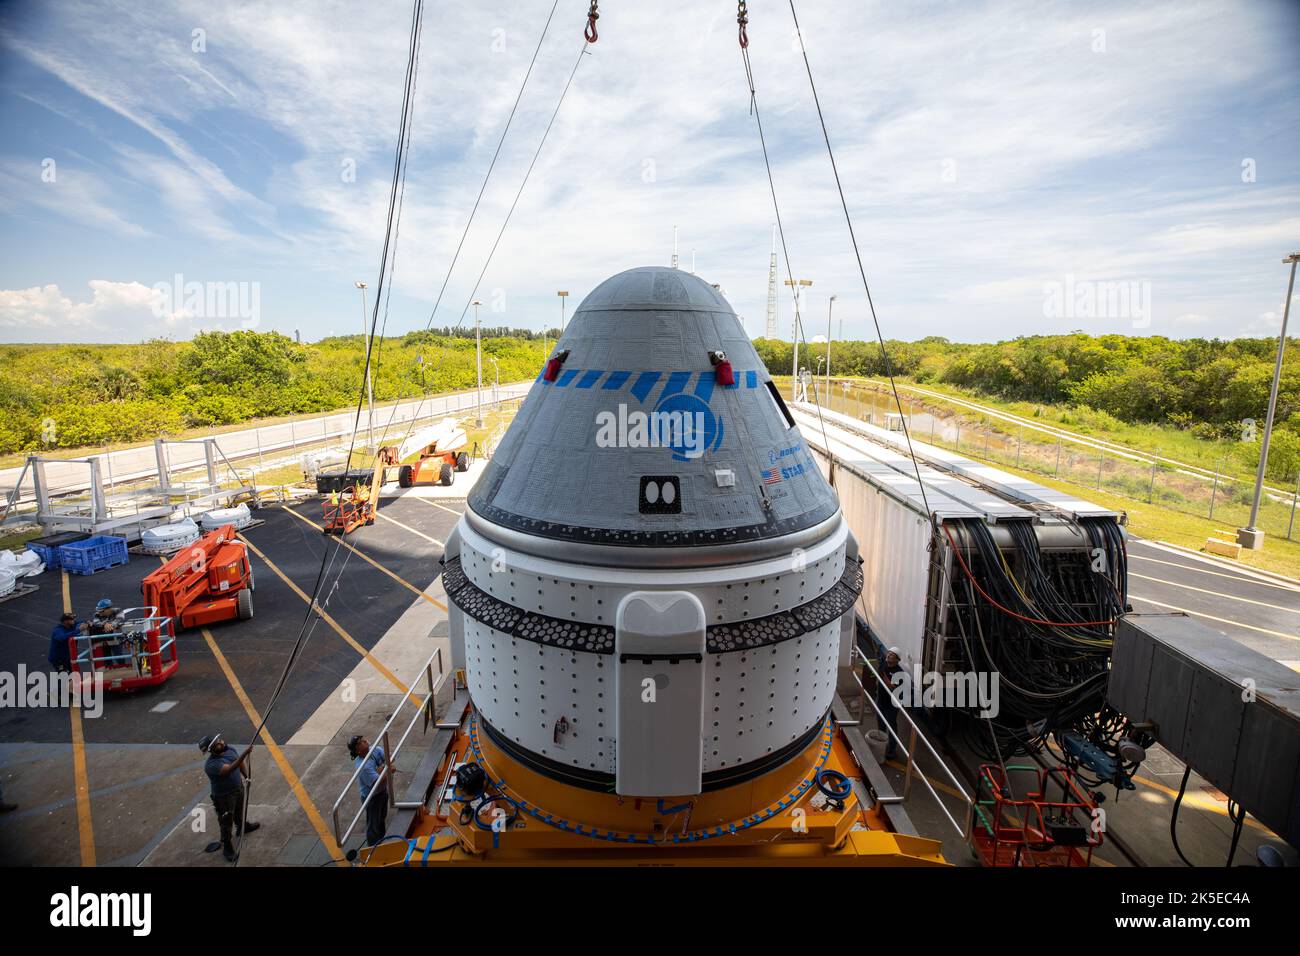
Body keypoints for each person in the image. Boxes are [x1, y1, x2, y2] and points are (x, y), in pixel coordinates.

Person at [198, 733, 260, 862]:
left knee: (239, 811)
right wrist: (245, 753)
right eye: (217, 743)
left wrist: (246, 777)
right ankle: (227, 847)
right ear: (213, 749)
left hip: (238, 788)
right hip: (224, 797)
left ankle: (242, 827)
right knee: (226, 821)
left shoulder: (229, 750)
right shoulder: (211, 765)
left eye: (219, 740)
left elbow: (239, 762)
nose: (222, 742)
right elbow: (230, 768)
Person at [348, 735, 390, 846]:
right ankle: (372, 850)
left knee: (382, 818)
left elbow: (389, 758)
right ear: (357, 751)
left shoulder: (374, 749)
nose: (365, 741)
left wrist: (381, 770)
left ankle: (381, 842)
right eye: (360, 742)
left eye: (363, 739)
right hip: (372, 798)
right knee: (373, 826)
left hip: (382, 792)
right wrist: (387, 769)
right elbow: (378, 782)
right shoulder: (363, 766)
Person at [869, 645, 904, 761]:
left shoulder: (899, 673)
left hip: (892, 705)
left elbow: (892, 687)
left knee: (892, 726)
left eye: (891, 655)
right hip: (881, 701)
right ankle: (882, 745)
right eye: (888, 654)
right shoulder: (883, 665)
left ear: (897, 659)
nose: (888, 656)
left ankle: (892, 749)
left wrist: (884, 678)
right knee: (881, 725)